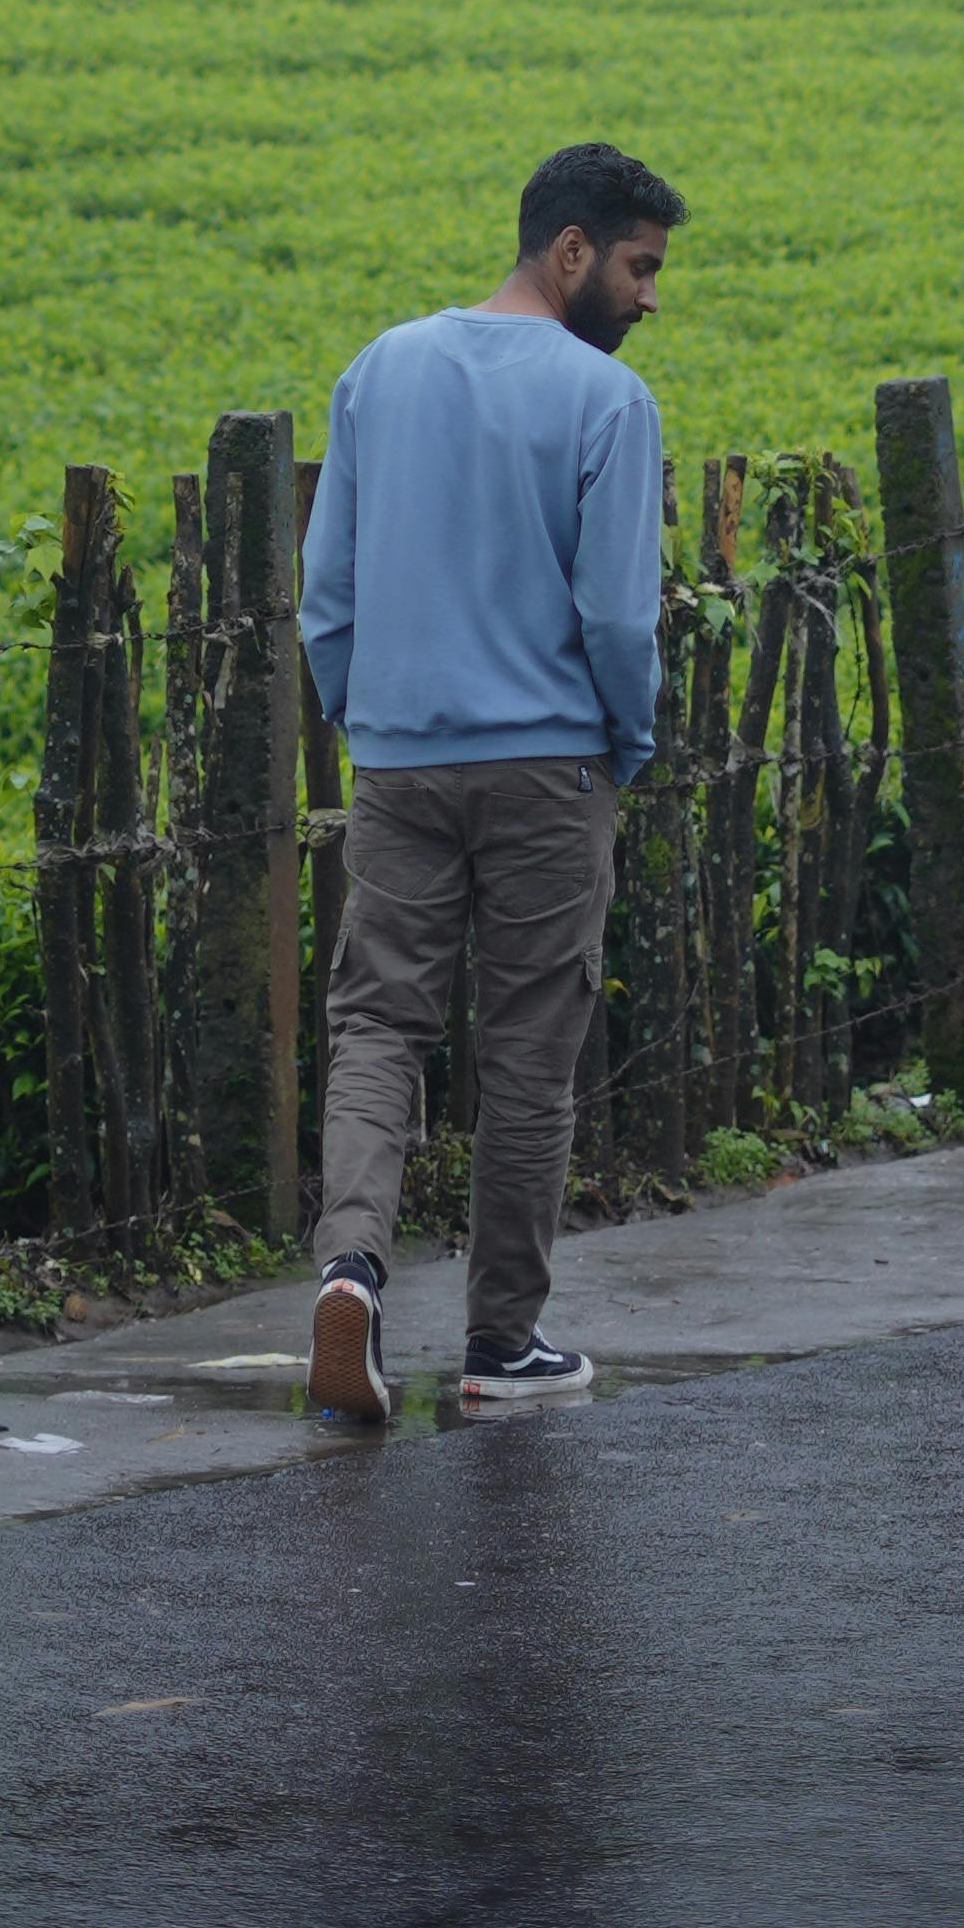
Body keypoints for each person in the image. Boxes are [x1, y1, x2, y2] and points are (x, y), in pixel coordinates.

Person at [299, 137, 679, 1419]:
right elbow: (620, 621)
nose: (646, 295)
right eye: (637, 266)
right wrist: (622, 743)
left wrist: (369, 719)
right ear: (570, 251)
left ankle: (348, 1267)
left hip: (399, 763)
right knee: (527, 1052)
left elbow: (326, 595)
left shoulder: (379, 371)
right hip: (547, 766)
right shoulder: (606, 403)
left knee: (376, 1024)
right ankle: (500, 1344)